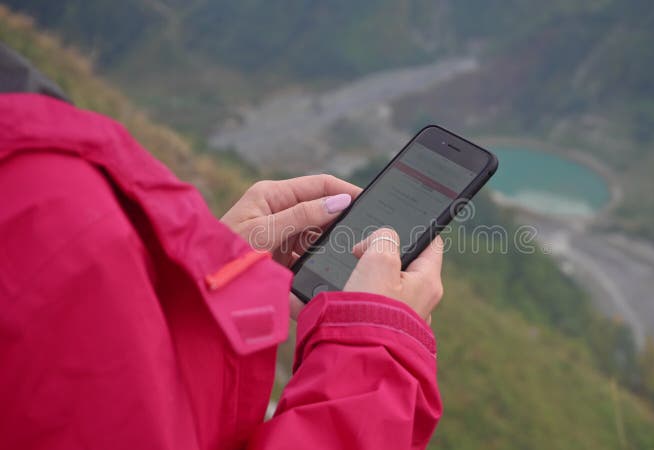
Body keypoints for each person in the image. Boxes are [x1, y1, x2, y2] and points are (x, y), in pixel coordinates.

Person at [0, 44, 443, 449]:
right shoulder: (40, 196)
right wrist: (377, 354)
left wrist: (217, 285)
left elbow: (133, 402)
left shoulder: (32, 163)